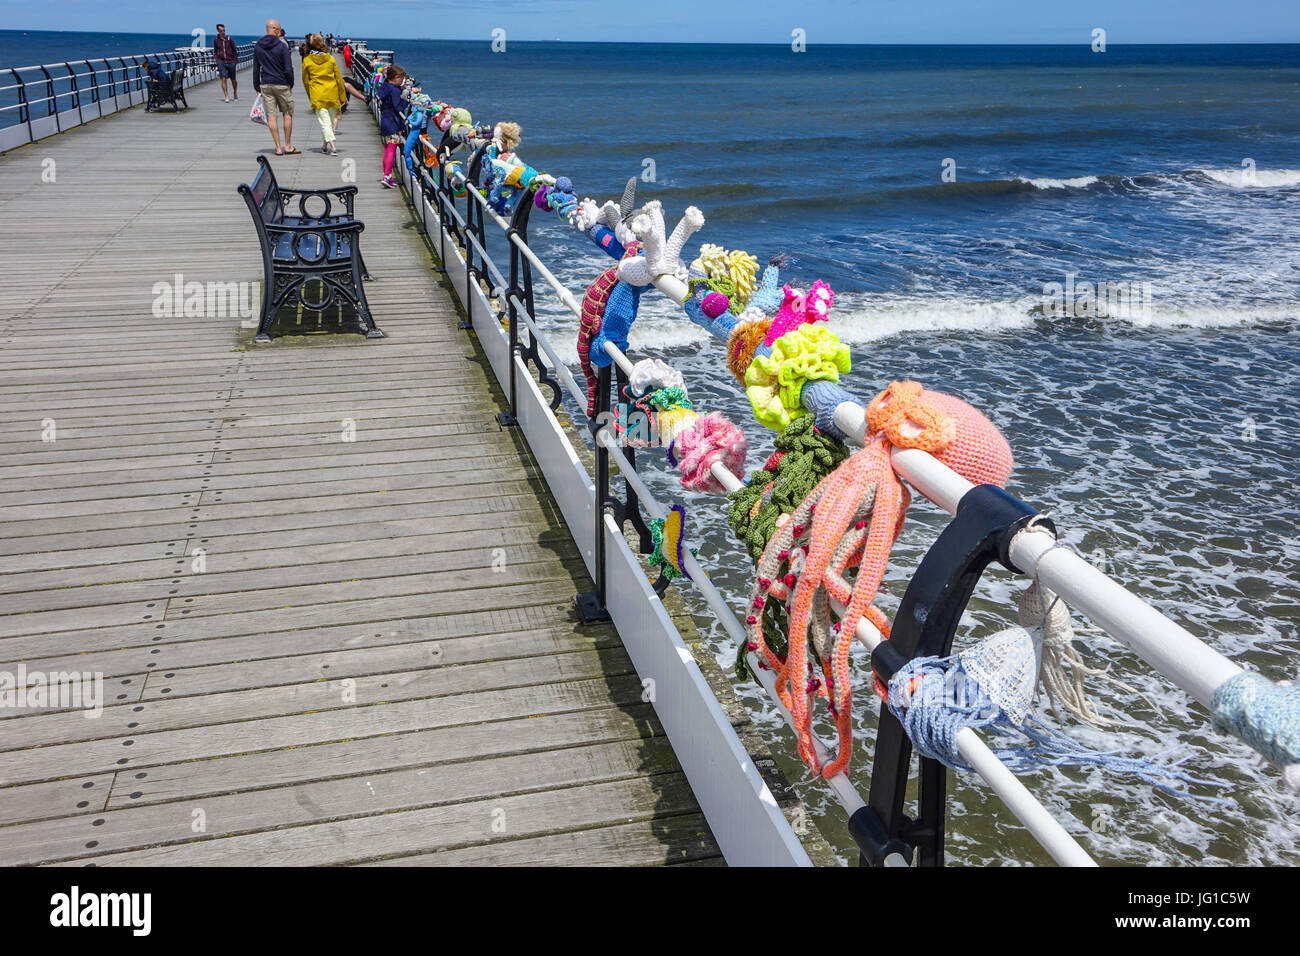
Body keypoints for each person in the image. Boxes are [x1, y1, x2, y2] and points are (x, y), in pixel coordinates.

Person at [252, 19, 299, 155]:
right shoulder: (282, 46)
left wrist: (257, 85)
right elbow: (288, 69)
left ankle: (278, 147)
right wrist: (291, 83)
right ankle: (288, 146)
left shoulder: (258, 46)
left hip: (265, 84)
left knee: (271, 117)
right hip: (282, 84)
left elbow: (256, 69)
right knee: (287, 114)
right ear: (277, 30)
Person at [301, 33, 345, 155]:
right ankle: (325, 146)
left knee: (325, 123)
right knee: (328, 123)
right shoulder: (330, 58)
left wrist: (310, 95)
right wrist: (342, 96)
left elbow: (305, 81)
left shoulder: (307, 60)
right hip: (332, 93)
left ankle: (332, 146)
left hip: (317, 94)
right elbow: (339, 79)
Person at [374, 64, 407, 187]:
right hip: (393, 123)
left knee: (387, 149)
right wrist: (406, 99)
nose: (402, 81)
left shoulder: (385, 87)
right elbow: (398, 107)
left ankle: (387, 174)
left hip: (385, 122)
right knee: (392, 150)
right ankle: (387, 176)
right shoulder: (394, 90)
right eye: (401, 78)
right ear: (396, 77)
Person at [214, 23, 238, 102]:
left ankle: (235, 93)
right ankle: (226, 96)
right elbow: (215, 51)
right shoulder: (216, 40)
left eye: (224, 30)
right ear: (218, 31)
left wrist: (235, 61)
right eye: (221, 31)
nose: (223, 32)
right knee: (223, 78)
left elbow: (235, 50)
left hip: (231, 61)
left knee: (233, 80)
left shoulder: (229, 39)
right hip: (221, 62)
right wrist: (217, 60)